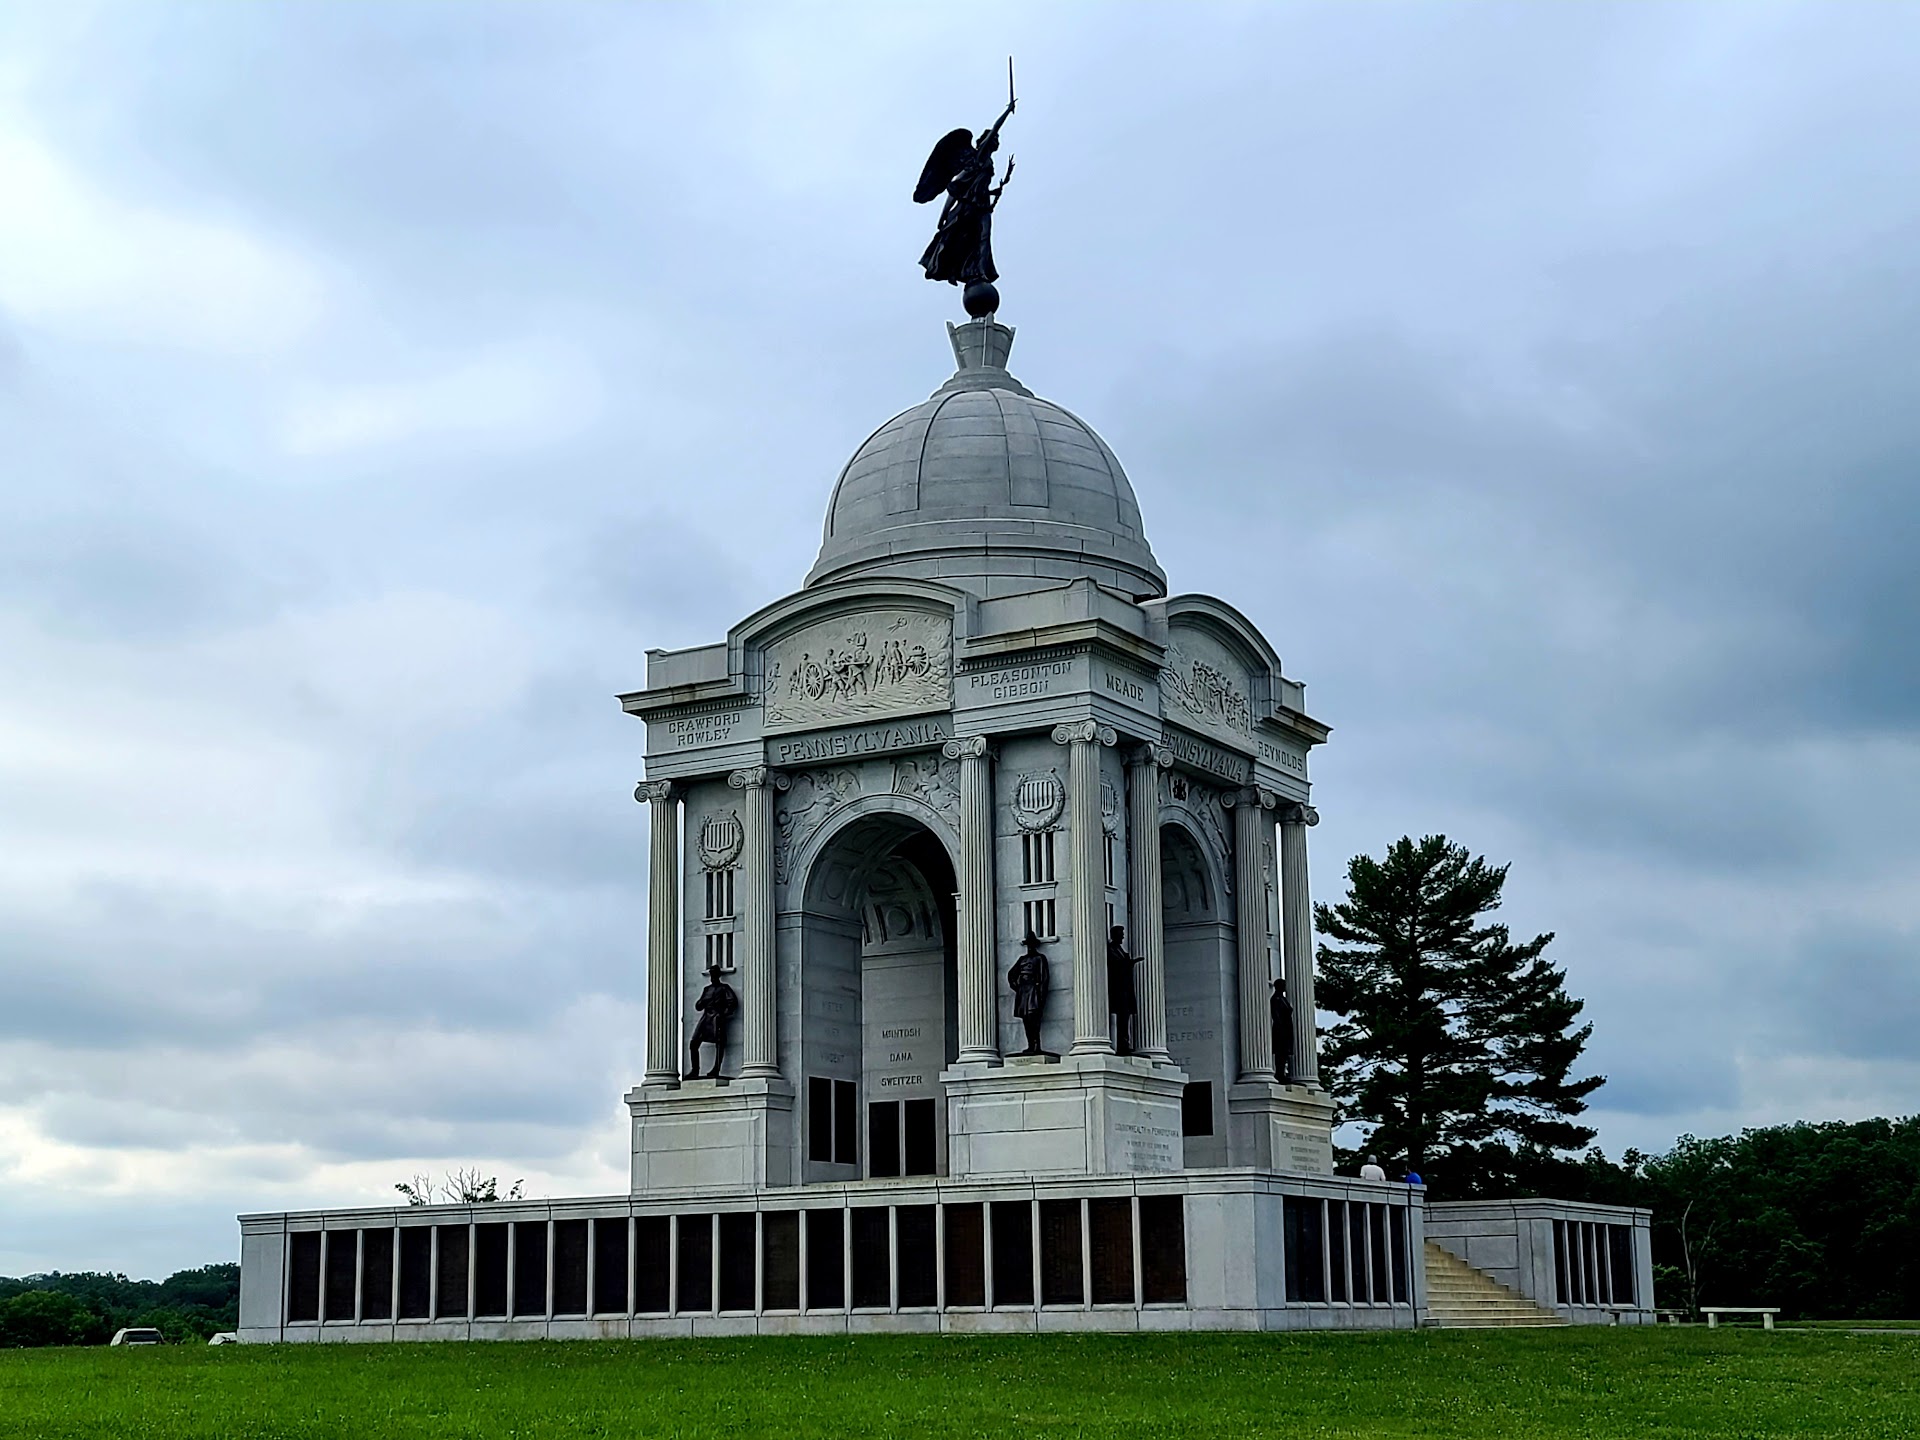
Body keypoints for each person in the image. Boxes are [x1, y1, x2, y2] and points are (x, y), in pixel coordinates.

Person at [686, 960, 739, 1080]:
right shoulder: (707, 989)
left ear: (718, 975)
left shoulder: (724, 988)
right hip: (706, 1018)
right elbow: (698, 1006)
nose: (712, 977)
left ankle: (716, 1068)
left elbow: (732, 1003)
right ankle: (695, 1070)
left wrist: (723, 1014)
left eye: (714, 974)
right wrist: (701, 1002)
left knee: (720, 1043)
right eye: (711, 974)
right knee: (694, 1043)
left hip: (716, 1018)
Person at [1008, 928, 1051, 1056]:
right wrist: (1017, 987)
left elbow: (1044, 978)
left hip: (1034, 991)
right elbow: (1011, 974)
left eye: (1032, 944)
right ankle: (1030, 1045)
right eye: (1029, 944)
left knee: (1034, 1019)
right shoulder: (1022, 959)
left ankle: (1037, 1045)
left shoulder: (1040, 958)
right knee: (1026, 1020)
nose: (1030, 947)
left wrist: (1041, 995)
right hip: (1023, 992)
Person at [1106, 926, 1140, 1056]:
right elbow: (1115, 966)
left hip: (1125, 989)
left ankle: (1125, 1043)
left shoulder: (1119, 949)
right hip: (1118, 990)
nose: (1123, 936)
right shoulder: (1111, 949)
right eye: (1121, 934)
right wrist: (1129, 963)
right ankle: (1122, 1045)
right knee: (1122, 1019)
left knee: (1125, 1018)